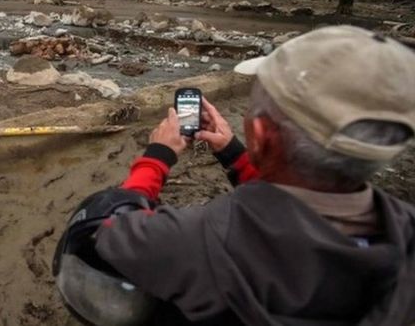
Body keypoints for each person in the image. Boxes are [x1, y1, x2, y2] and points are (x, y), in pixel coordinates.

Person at [69, 26, 415, 325]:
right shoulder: (405, 235)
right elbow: (295, 213)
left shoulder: (194, 241)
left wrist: (157, 157)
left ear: (261, 135)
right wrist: (235, 154)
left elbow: (96, 233)